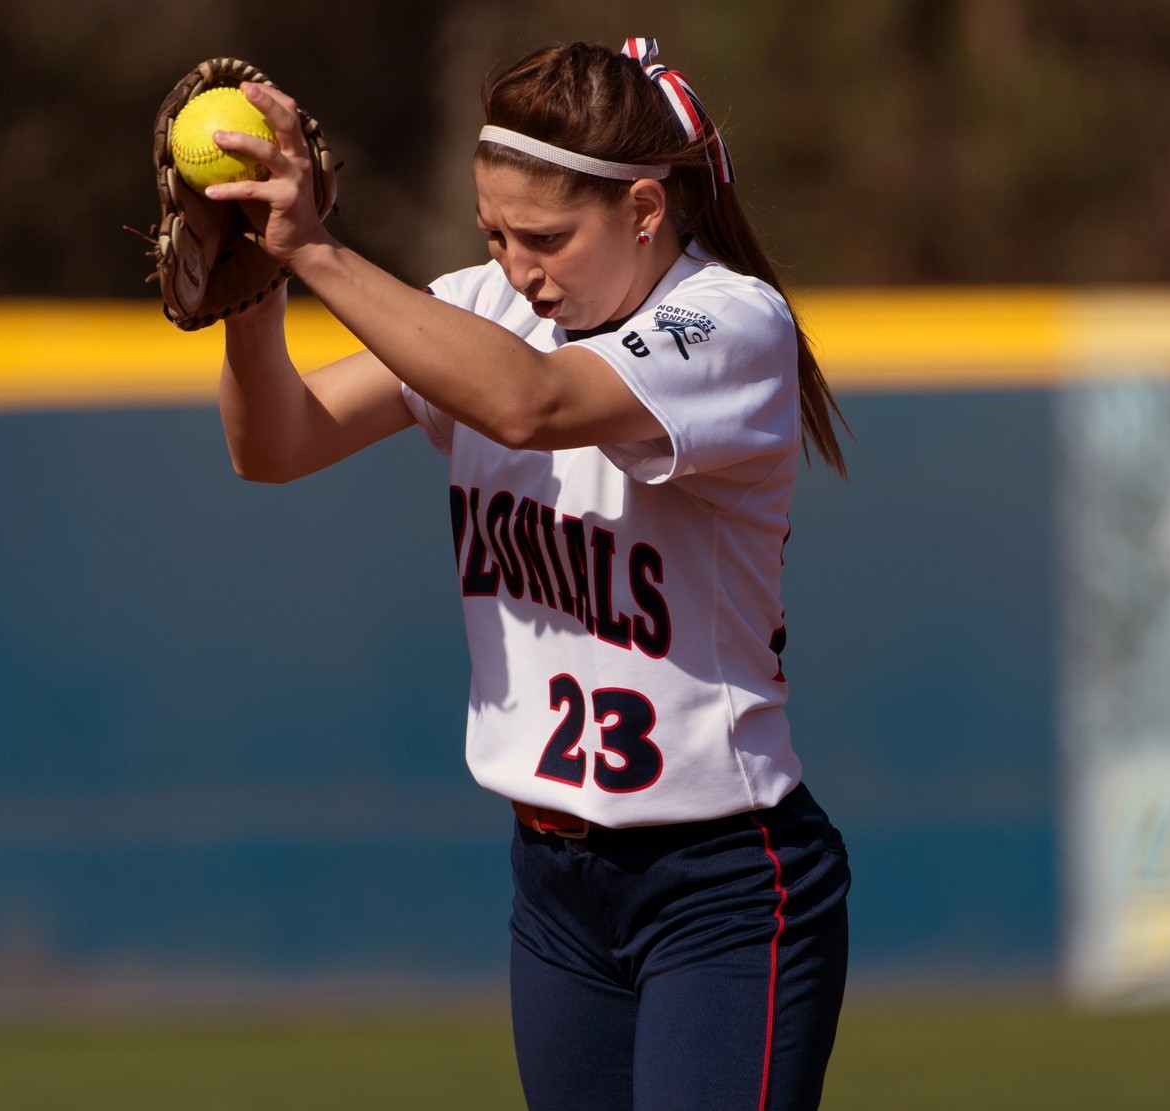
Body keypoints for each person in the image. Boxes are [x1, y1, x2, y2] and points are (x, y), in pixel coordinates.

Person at [205, 37, 852, 1111]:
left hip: (725, 887)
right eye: (494, 234)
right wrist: (253, 294)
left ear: (644, 212)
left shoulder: (730, 324)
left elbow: (530, 406)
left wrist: (314, 250)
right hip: (555, 887)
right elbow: (273, 442)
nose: (515, 267)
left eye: (545, 237)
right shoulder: (491, 310)